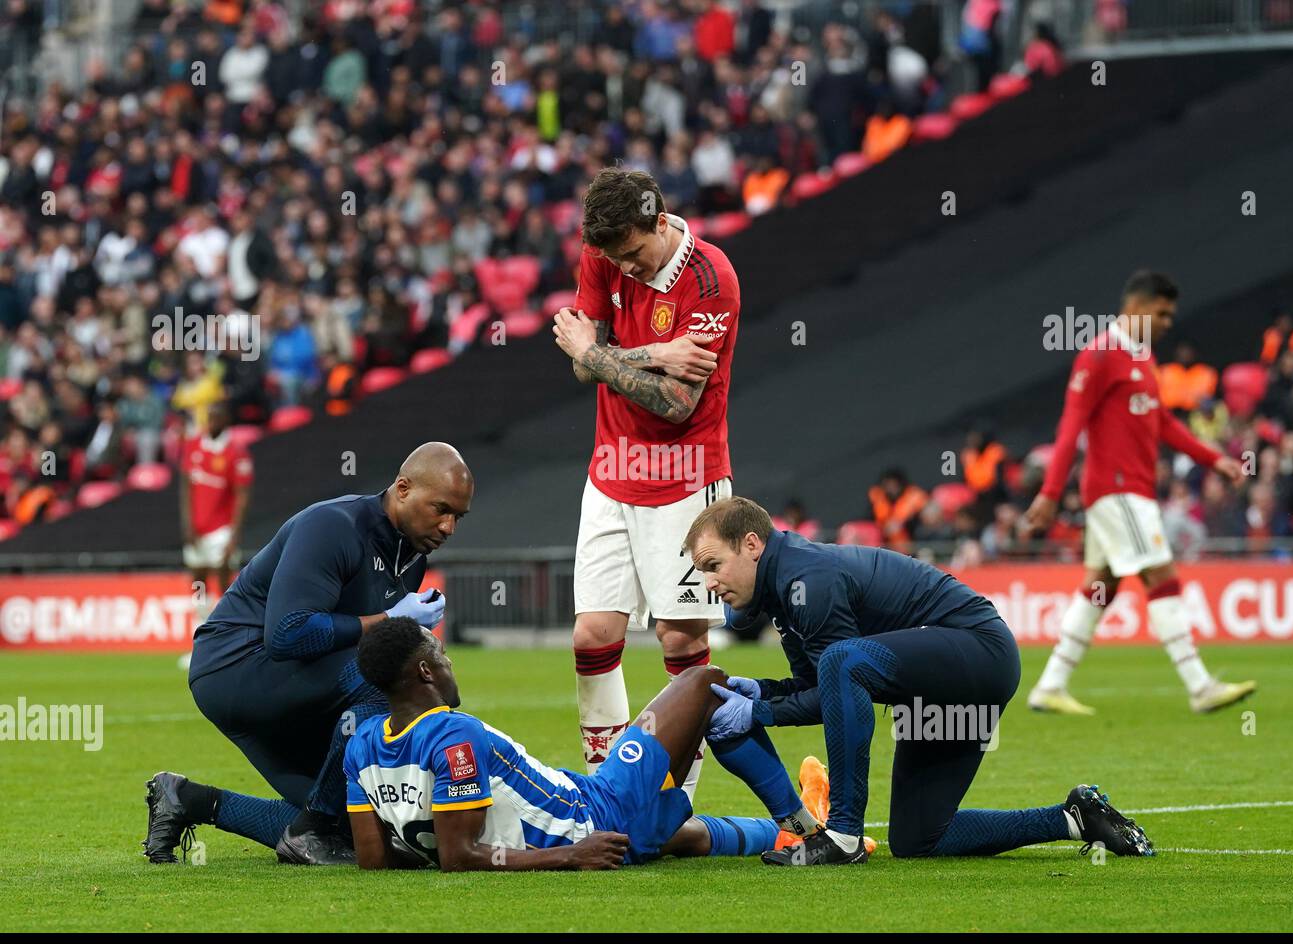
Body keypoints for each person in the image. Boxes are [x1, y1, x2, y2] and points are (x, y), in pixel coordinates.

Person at [686, 496, 1156, 867]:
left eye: (712, 565)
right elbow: (819, 691)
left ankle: (844, 834)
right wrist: (763, 692)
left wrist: (760, 712)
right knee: (919, 838)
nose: (709, 583)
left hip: (977, 652)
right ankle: (1076, 818)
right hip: (948, 686)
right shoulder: (787, 587)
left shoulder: (804, 577)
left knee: (843, 661)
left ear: (751, 545)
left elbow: (838, 675)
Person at [142, 443, 472, 866]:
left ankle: (187, 799)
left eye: (457, 517)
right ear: (403, 488)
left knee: (365, 823)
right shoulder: (332, 526)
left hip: (302, 683)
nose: (448, 527)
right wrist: (390, 617)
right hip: (237, 666)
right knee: (386, 678)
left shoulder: (410, 556)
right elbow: (287, 634)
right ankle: (310, 830)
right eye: (441, 509)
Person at [345, 617, 834, 871]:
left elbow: (375, 859)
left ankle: (800, 828)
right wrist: (571, 854)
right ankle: (805, 830)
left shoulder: (362, 744)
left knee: (673, 836)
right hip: (595, 812)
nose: (451, 665)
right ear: (426, 671)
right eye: (443, 655)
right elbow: (460, 857)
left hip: (591, 821)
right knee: (707, 681)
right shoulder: (454, 733)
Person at [552, 167, 740, 792]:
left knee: (680, 638)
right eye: (612, 258)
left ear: (660, 223)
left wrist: (597, 353)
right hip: (609, 471)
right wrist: (656, 352)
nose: (623, 269)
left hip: (687, 481)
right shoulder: (603, 252)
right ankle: (606, 789)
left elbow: (675, 404)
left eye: (633, 253)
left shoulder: (712, 282)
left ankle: (673, 793)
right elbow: (584, 369)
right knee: (592, 635)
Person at [1024, 271, 1256, 715]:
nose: (1169, 322)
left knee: (1100, 588)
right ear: (1135, 308)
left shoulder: (1143, 357)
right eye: (1162, 313)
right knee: (1162, 575)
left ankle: (1050, 685)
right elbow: (1071, 425)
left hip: (1132, 489)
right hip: (1116, 490)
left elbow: (1163, 422)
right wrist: (1051, 492)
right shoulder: (1100, 355)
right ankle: (1200, 686)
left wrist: (1215, 459)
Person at [177, 399, 252, 671]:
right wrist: (187, 524)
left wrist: (234, 535)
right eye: (209, 417)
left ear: (226, 420)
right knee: (198, 583)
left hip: (221, 530)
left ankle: (225, 646)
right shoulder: (194, 445)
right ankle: (199, 644)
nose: (211, 421)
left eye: (216, 416)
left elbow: (242, 497)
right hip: (197, 529)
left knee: (224, 583)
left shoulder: (236, 452)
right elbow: (186, 487)